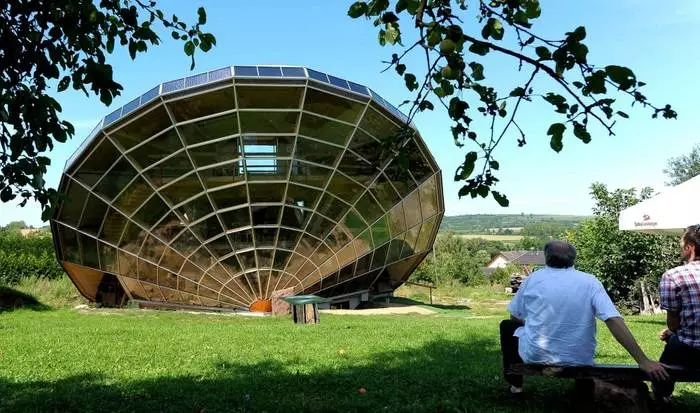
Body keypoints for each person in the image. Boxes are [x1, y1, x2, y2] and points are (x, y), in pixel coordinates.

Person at [501, 240, 668, 394]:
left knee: (507, 326)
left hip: (536, 356)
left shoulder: (532, 280)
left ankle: (516, 385)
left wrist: (530, 324)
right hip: (579, 358)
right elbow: (612, 319)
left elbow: (515, 316)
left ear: (547, 258)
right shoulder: (590, 282)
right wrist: (642, 360)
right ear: (573, 259)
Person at [653, 225, 700, 400]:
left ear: (690, 247)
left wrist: (671, 334)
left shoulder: (674, 276)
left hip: (691, 350)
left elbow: (673, 324)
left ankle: (661, 396)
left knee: (665, 364)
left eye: (681, 244)